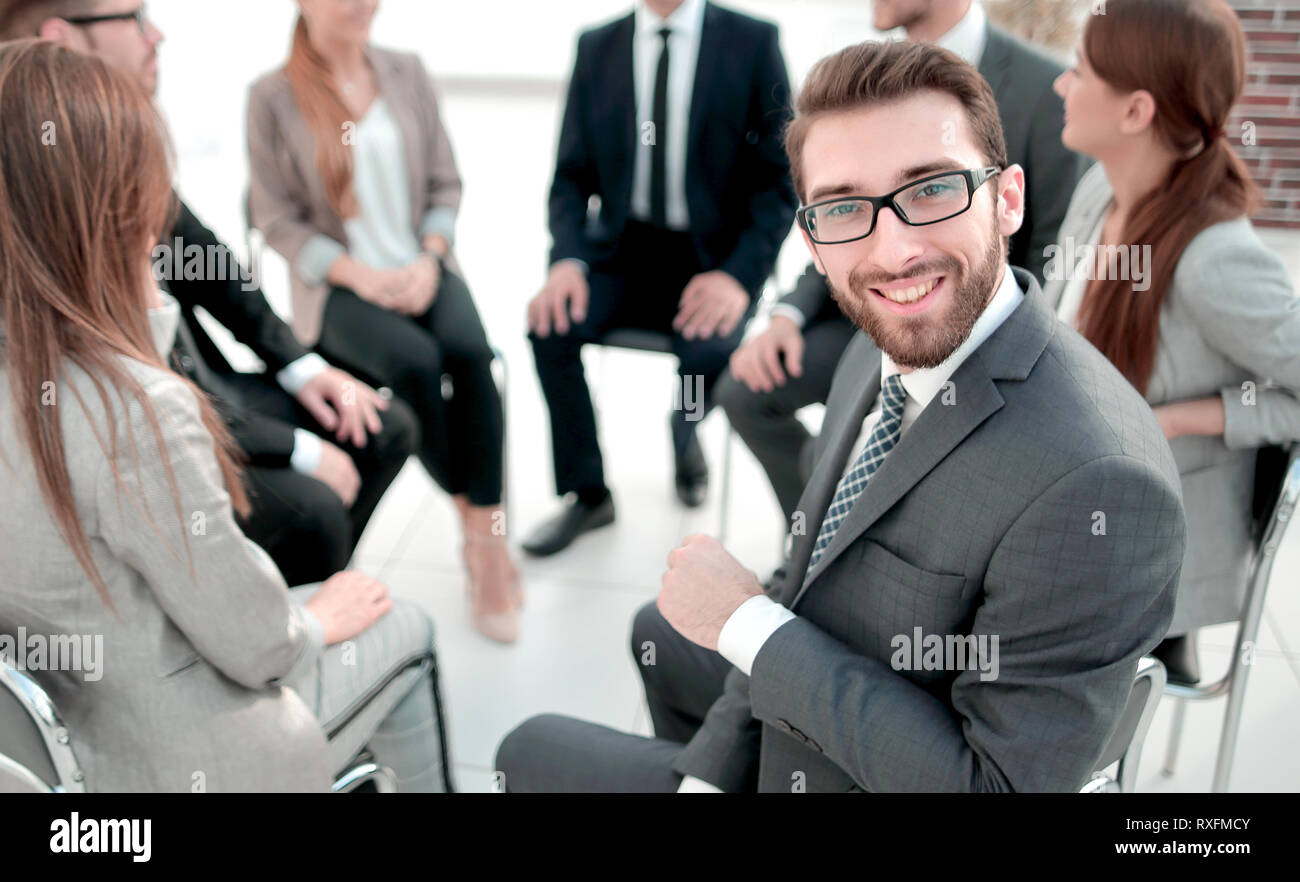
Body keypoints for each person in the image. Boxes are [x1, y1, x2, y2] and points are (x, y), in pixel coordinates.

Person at [496, 38, 1187, 792]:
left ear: (1008, 198)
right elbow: (805, 571)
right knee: (657, 631)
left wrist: (748, 625)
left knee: (525, 751)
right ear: (814, 244)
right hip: (825, 704)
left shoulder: (1102, 485)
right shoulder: (880, 340)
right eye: (846, 208)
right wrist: (706, 777)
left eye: (930, 190)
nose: (893, 253)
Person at [0, 38, 446, 792]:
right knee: (405, 626)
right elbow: (260, 646)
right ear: (118, 214)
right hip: (190, 758)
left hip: (60, 760)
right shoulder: (138, 408)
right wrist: (316, 621)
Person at [0, 0, 422, 589]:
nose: (159, 35)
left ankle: (285, 600)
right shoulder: (38, 182)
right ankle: (279, 630)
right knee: (315, 507)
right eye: (136, 18)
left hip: (205, 393)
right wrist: (299, 448)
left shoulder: (113, 138)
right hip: (145, 433)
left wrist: (303, 367)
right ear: (61, 39)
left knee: (382, 424)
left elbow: (213, 269)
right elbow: (137, 391)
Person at [715, 0, 1088, 527]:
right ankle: (822, 536)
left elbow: (1055, 260)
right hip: (864, 323)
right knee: (746, 391)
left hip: (969, 330)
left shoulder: (1043, 89)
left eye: (935, 186)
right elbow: (849, 221)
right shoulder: (862, 86)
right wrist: (787, 315)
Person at [247, 0, 519, 642]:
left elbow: (446, 185)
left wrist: (429, 259)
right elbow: (276, 218)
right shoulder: (270, 96)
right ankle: (482, 535)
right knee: (416, 365)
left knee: (472, 356)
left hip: (423, 265)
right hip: (338, 287)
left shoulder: (407, 71)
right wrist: (361, 275)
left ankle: (483, 534)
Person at [1046, 0, 1300, 682]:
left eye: (1078, 72)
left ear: (1135, 112)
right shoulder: (1101, 189)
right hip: (1074, 490)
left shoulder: (1214, 257)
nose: (1060, 86)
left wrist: (1187, 418)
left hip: (1141, 551)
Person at [519, 0, 797, 556]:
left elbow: (779, 183)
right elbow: (571, 179)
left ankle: (685, 433)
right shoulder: (597, 45)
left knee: (708, 348)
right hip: (622, 249)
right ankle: (588, 492)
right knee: (549, 328)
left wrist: (739, 278)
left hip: (712, 255)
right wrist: (568, 262)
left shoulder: (753, 41)